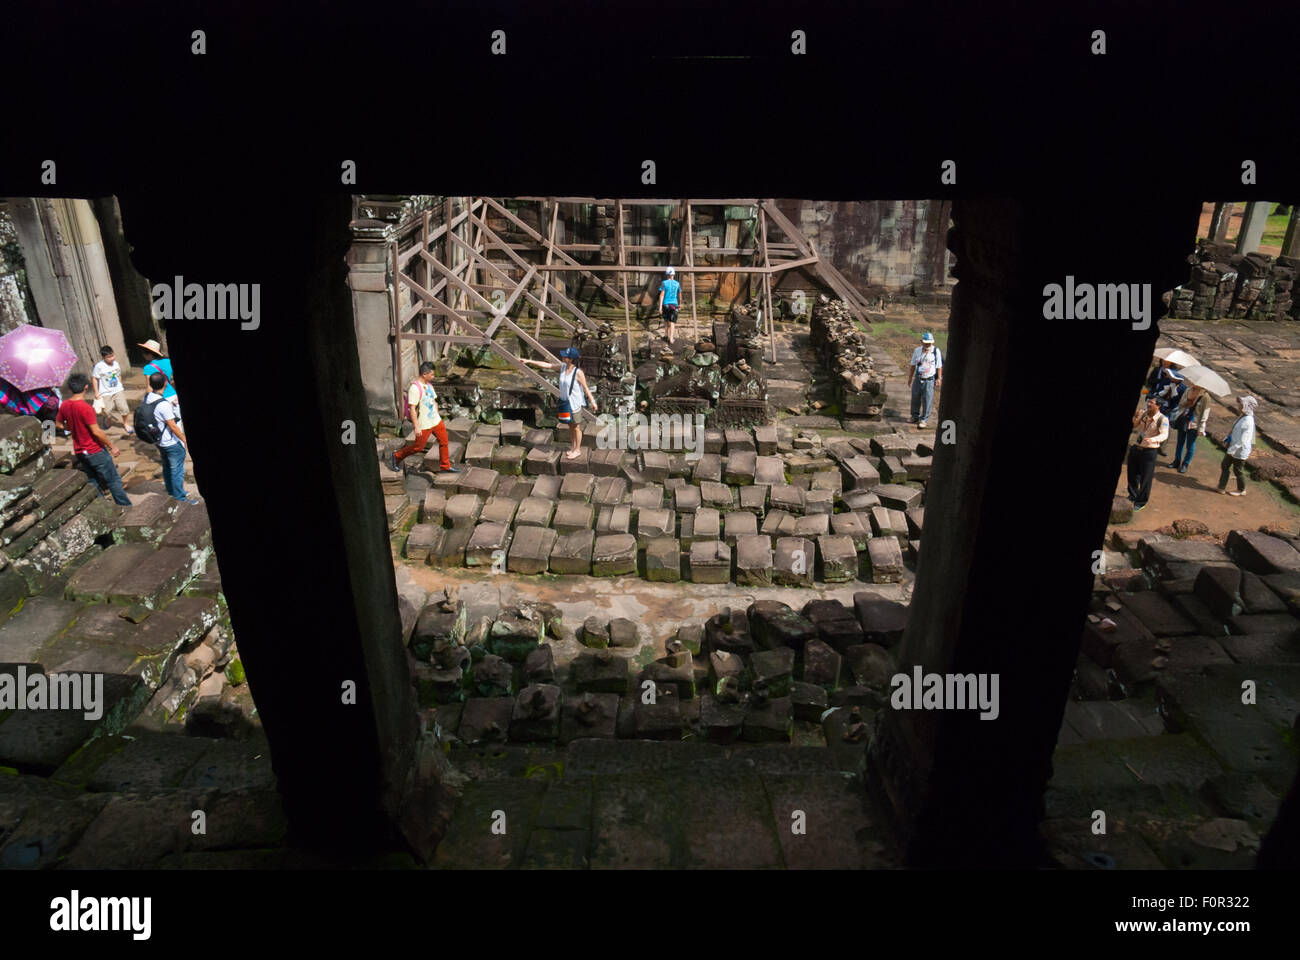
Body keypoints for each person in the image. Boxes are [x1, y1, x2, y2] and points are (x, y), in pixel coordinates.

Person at [55, 373, 131, 506]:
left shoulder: (65, 405)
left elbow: (58, 424)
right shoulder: (86, 408)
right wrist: (111, 446)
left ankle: (101, 506)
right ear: (86, 387)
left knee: (92, 480)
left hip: (80, 450)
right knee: (113, 480)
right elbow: (96, 431)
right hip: (94, 450)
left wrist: (72, 427)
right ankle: (125, 506)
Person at [523, 347, 598, 459]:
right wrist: (529, 361)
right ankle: (573, 447)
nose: (563, 357)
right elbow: (548, 365)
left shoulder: (578, 373)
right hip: (564, 403)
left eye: (565, 356)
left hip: (575, 404)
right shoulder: (562, 367)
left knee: (576, 427)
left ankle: (577, 450)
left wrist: (593, 401)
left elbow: (586, 388)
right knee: (570, 426)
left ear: (571, 359)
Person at [390, 361, 456, 473]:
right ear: (424, 374)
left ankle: (445, 466)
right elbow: (412, 409)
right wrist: (416, 427)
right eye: (432, 374)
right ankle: (397, 456)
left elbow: (434, 401)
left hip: (436, 421)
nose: (433, 376)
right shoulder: (415, 389)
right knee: (418, 447)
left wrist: (437, 413)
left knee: (444, 441)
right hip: (424, 424)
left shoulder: (429, 385)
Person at [144, 371, 198, 504]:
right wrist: (184, 439)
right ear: (165, 384)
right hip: (170, 442)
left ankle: (171, 491)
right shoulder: (163, 404)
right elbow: (173, 426)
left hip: (159, 440)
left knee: (167, 466)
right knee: (177, 470)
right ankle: (180, 497)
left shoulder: (147, 398)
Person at [1126, 396, 1168, 511]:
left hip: (1149, 452)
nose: (1148, 404)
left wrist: (1153, 440)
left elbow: (1164, 435)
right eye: (1148, 401)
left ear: (1158, 406)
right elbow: (1134, 425)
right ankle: (1133, 494)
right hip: (1136, 448)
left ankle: (1141, 501)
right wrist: (1137, 416)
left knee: (1146, 478)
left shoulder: (1162, 419)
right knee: (1132, 474)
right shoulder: (1144, 414)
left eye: (1152, 403)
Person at [1217, 395, 1257, 497]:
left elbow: (1244, 440)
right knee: (1225, 465)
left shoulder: (1247, 421)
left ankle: (1241, 489)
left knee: (1237, 469)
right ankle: (1221, 487)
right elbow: (1235, 429)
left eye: (1241, 404)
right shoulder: (1242, 416)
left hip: (1239, 450)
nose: (1238, 406)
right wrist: (1228, 438)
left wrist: (1232, 450)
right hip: (1234, 446)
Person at [1169, 383, 1210, 473]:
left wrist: (1201, 428)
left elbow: (1205, 413)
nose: (1193, 383)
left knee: (1190, 445)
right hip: (1184, 419)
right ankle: (1177, 461)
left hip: (1194, 423)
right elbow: (1180, 404)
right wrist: (1187, 402)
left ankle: (1185, 464)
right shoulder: (1188, 390)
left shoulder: (1205, 396)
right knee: (1180, 441)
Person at [92, 345, 133, 435]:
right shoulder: (99, 366)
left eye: (112, 356)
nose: (111, 358)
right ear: (103, 357)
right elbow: (95, 378)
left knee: (124, 408)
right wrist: (96, 392)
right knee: (106, 410)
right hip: (105, 392)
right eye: (108, 357)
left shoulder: (116, 364)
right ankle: (107, 419)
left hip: (118, 390)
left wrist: (120, 384)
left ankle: (125, 423)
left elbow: (119, 375)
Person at [906, 331, 943, 429]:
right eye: (926, 343)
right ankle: (914, 416)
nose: (927, 345)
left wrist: (939, 378)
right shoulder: (917, 351)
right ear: (922, 342)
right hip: (918, 378)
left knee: (927, 399)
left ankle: (924, 419)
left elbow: (939, 366)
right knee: (915, 397)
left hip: (929, 379)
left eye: (929, 343)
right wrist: (910, 377)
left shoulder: (935, 351)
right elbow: (913, 365)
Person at [657, 267, 682, 345]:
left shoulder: (664, 283)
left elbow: (662, 295)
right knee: (672, 322)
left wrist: (660, 307)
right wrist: (680, 304)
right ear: (673, 274)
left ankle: (666, 335)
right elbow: (680, 295)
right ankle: (671, 339)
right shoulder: (677, 283)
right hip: (674, 305)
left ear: (667, 274)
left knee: (666, 319)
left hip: (666, 304)